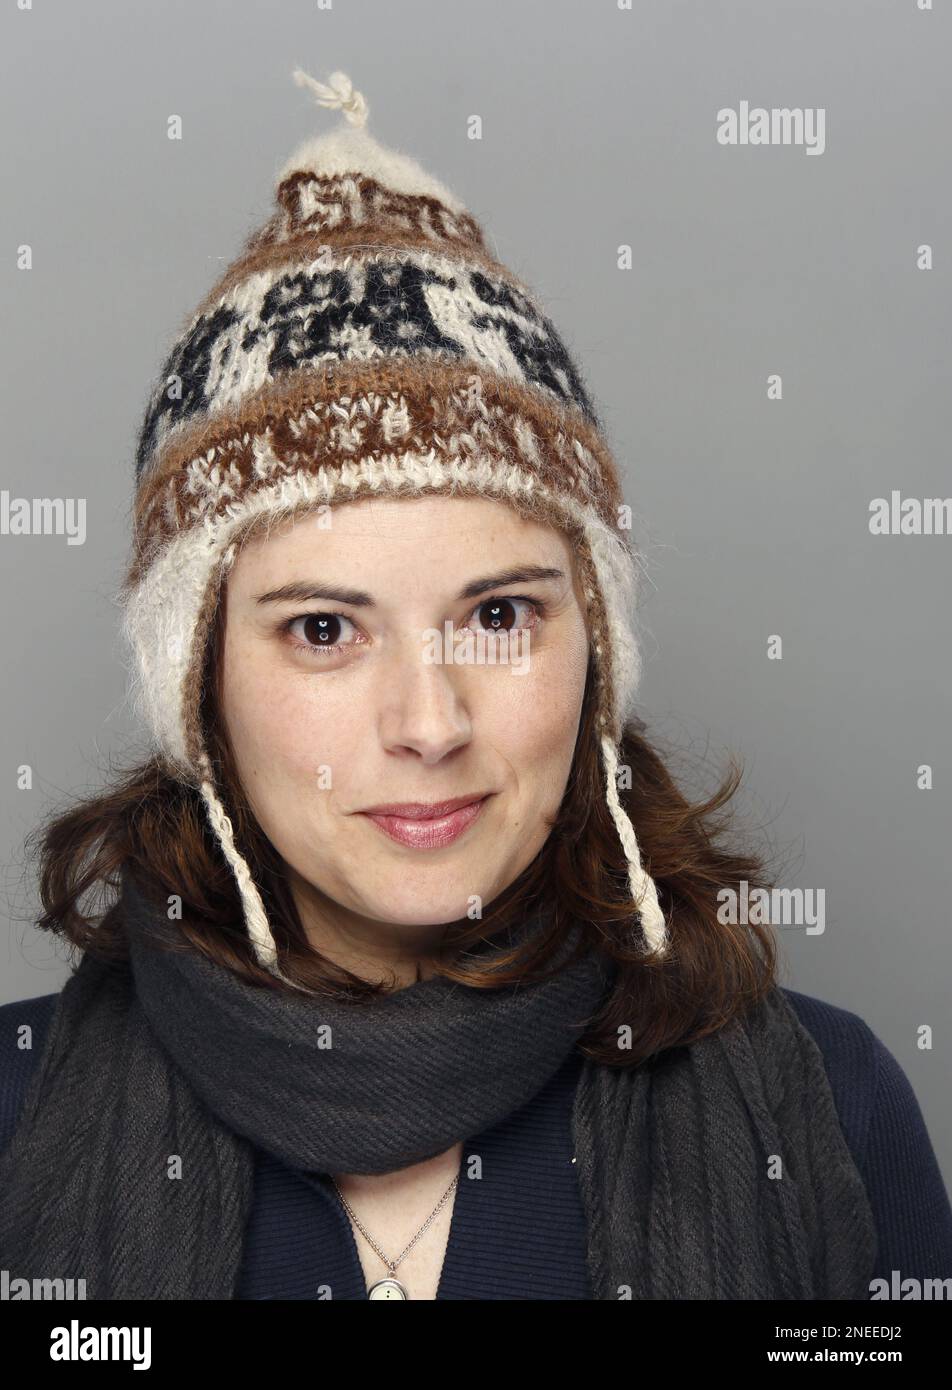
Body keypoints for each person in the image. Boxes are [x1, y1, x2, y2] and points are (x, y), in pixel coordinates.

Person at [1, 69, 950, 1302]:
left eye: (499, 615)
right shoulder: (20, 1115)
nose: (430, 724)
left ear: (594, 648)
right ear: (200, 686)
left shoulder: (827, 1101)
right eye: (326, 629)